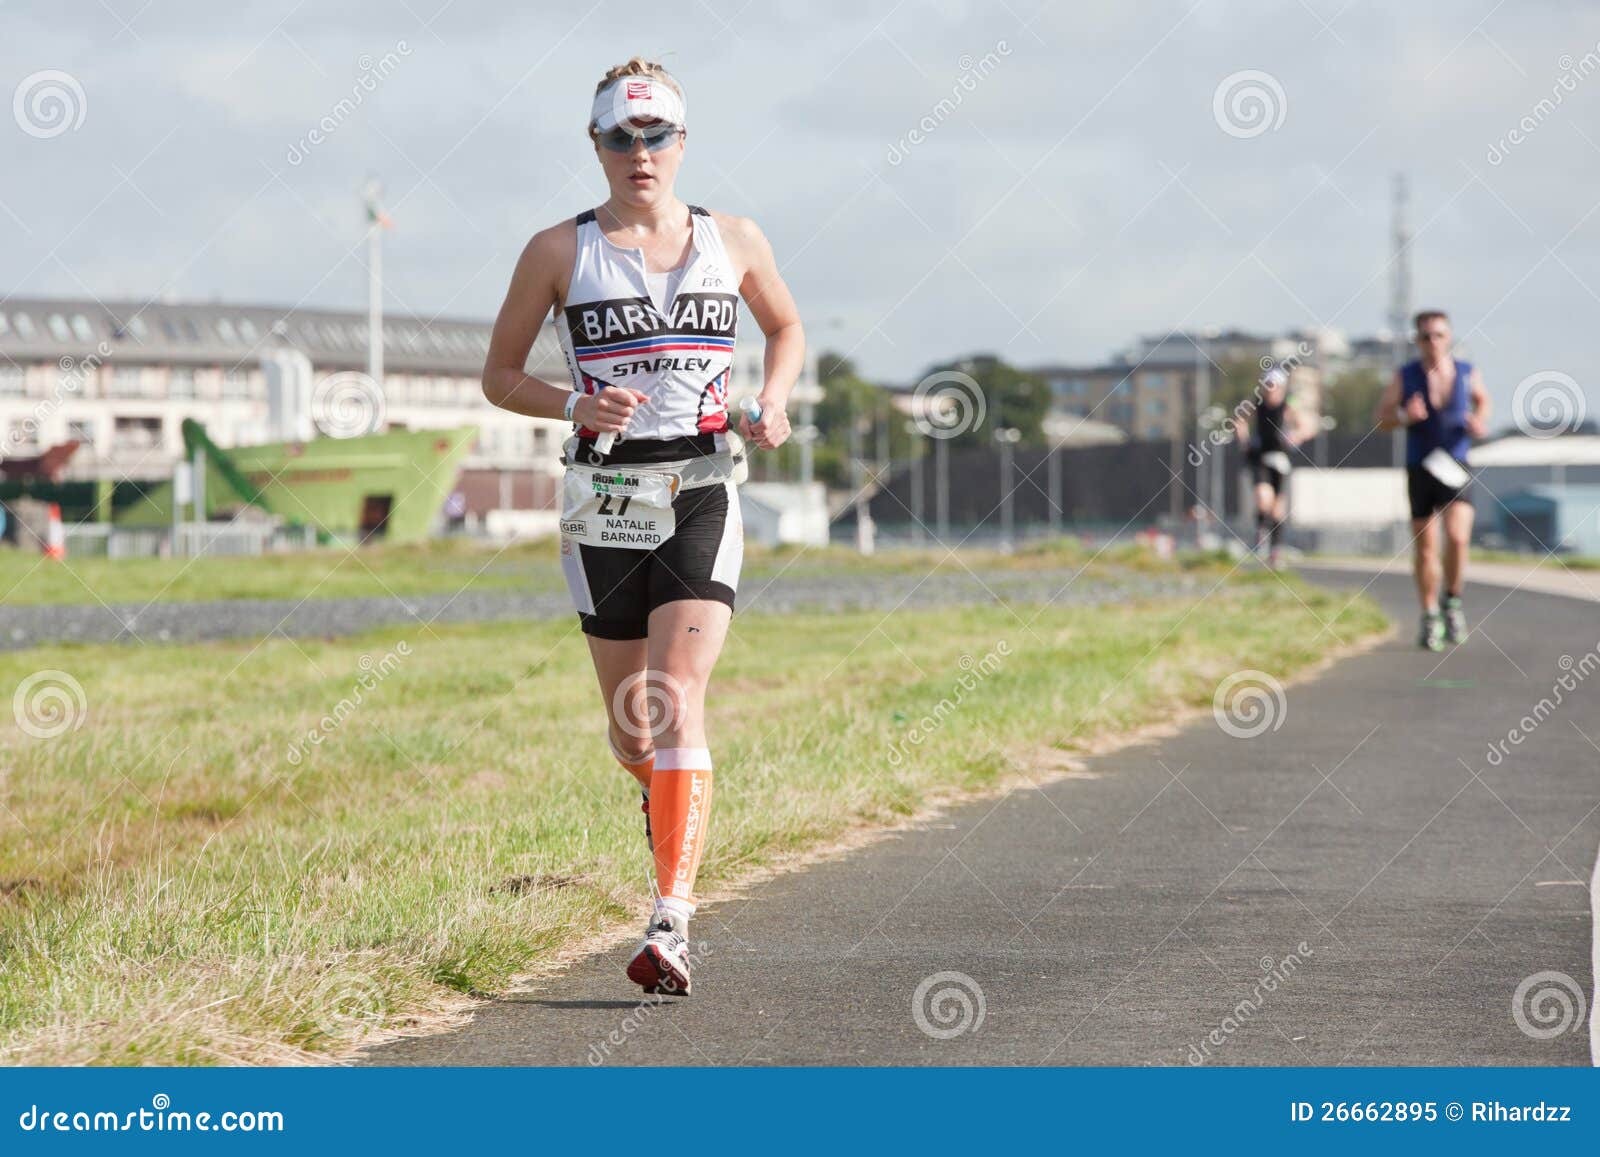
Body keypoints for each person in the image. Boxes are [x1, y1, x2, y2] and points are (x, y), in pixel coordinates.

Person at [480, 58, 803, 994]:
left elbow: (785, 328)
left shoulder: (734, 239)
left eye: (655, 135)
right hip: (605, 500)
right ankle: (666, 798)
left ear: (682, 142)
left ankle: (671, 920)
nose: (640, 154)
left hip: (702, 483)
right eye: (621, 138)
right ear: (596, 146)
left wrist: (774, 401)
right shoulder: (557, 251)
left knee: (675, 696)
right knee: (633, 730)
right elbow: (499, 376)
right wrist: (575, 402)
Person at [1373, 310, 1489, 650]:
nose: (1433, 342)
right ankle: (1429, 614)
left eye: (1438, 335)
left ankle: (1452, 601)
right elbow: (1380, 418)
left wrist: (1479, 421)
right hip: (1421, 467)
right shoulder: (1405, 376)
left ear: (1449, 337)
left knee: (1457, 537)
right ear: (1417, 340)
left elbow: (1484, 402)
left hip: (1456, 464)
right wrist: (1404, 416)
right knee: (1426, 548)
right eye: (1425, 337)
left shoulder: (1467, 373)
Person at [1231, 367, 1314, 569]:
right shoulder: (1255, 403)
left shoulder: (1288, 405)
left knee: (1277, 510)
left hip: (1281, 459)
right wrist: (1244, 439)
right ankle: (1261, 536)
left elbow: (1305, 426)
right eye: (1268, 386)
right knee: (1263, 497)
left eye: (1274, 386)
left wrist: (1296, 435)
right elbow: (1239, 420)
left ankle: (1275, 550)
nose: (1271, 390)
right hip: (1260, 458)